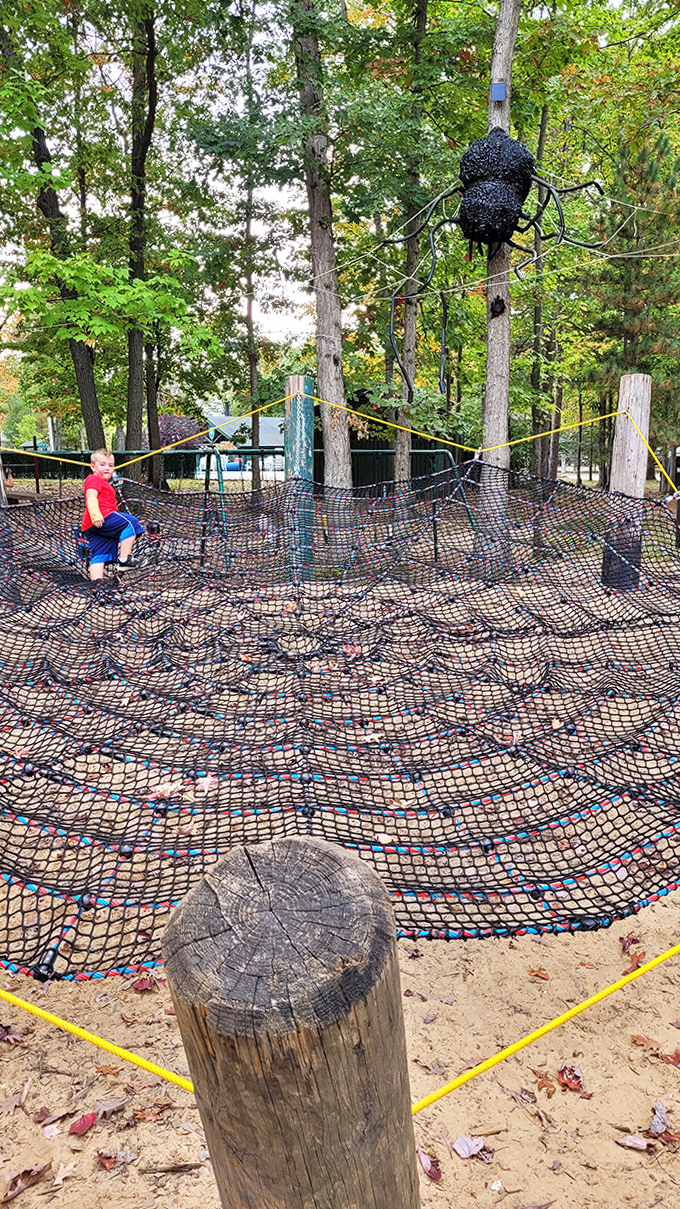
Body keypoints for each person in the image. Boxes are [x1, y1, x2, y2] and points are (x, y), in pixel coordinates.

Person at [82, 448, 144, 581]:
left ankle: (98, 587)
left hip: (92, 527)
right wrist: (95, 515)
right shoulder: (93, 479)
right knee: (131, 522)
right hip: (101, 517)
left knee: (100, 554)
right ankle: (124, 560)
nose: (107, 468)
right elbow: (91, 498)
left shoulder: (105, 483)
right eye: (102, 465)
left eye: (110, 465)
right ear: (93, 467)